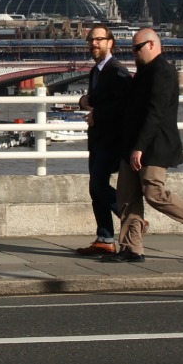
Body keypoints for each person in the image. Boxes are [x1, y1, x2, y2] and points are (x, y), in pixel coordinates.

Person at [108, 29, 183, 264]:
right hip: (131, 145)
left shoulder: (163, 72)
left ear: (153, 45)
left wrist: (139, 147)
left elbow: (155, 113)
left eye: (137, 48)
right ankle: (131, 248)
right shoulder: (145, 71)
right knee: (127, 197)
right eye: (132, 49)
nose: (134, 53)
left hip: (153, 146)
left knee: (154, 193)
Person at [76, 24, 133, 255]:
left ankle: (131, 218)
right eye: (91, 40)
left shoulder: (116, 70)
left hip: (112, 138)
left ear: (111, 42)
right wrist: (83, 101)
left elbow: (124, 102)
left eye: (99, 39)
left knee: (98, 186)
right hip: (98, 138)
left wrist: (98, 113)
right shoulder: (96, 71)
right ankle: (105, 238)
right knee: (95, 188)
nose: (94, 43)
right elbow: (99, 99)